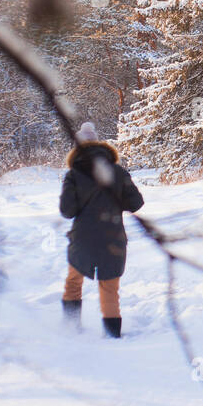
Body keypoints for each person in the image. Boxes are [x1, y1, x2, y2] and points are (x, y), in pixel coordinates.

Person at [59, 122, 144, 338]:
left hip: (82, 239)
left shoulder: (73, 175)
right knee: (109, 287)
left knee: (73, 282)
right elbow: (136, 203)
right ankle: (112, 334)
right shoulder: (118, 172)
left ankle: (70, 329)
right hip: (113, 238)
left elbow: (67, 211)